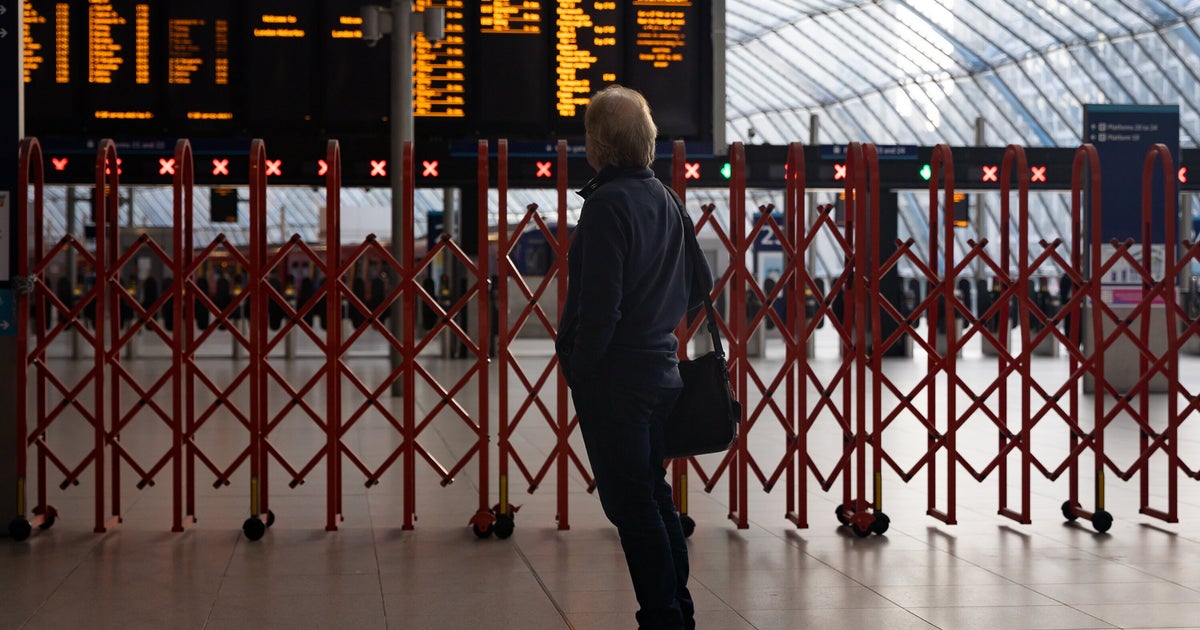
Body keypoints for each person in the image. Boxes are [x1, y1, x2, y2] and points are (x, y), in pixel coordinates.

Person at [556, 85, 711, 630]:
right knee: (652, 494)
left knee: (631, 507)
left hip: (618, 381)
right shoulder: (666, 198)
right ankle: (678, 609)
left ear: (597, 146)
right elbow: (701, 284)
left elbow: (600, 308)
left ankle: (664, 618)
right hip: (661, 372)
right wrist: (658, 320)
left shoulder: (605, 207)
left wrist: (581, 367)